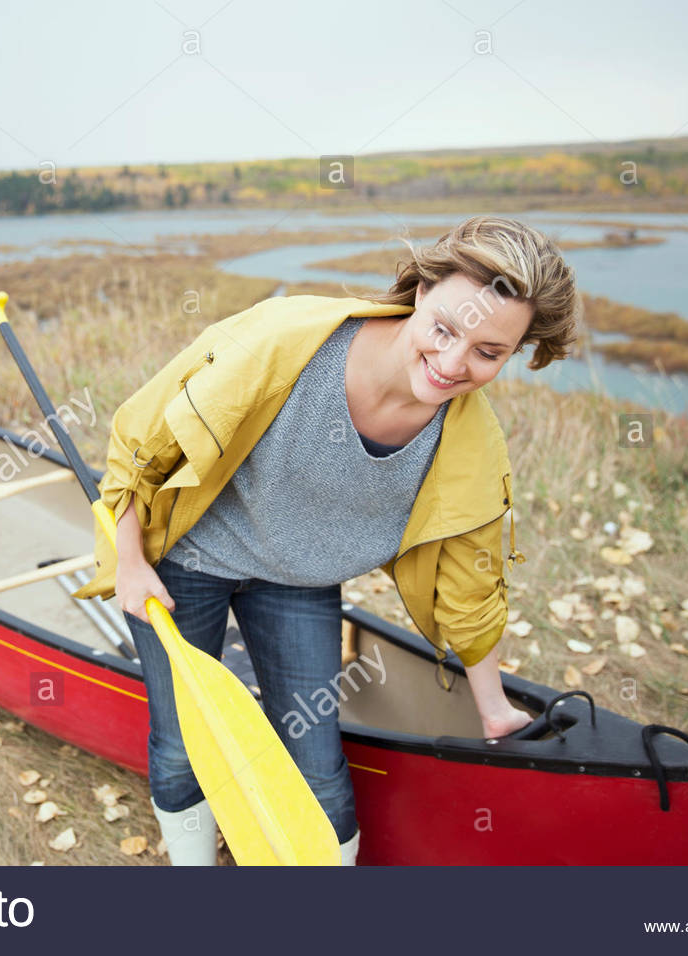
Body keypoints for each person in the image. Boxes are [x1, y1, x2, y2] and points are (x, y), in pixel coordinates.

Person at [70, 216, 581, 866]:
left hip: (299, 580)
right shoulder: (288, 343)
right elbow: (143, 445)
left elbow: (470, 583)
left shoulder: (469, 447)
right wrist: (132, 559)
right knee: (181, 744)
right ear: (420, 292)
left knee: (315, 762)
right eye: (445, 329)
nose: (453, 364)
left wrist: (493, 709)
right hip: (187, 562)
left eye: (488, 352)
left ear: (516, 352)